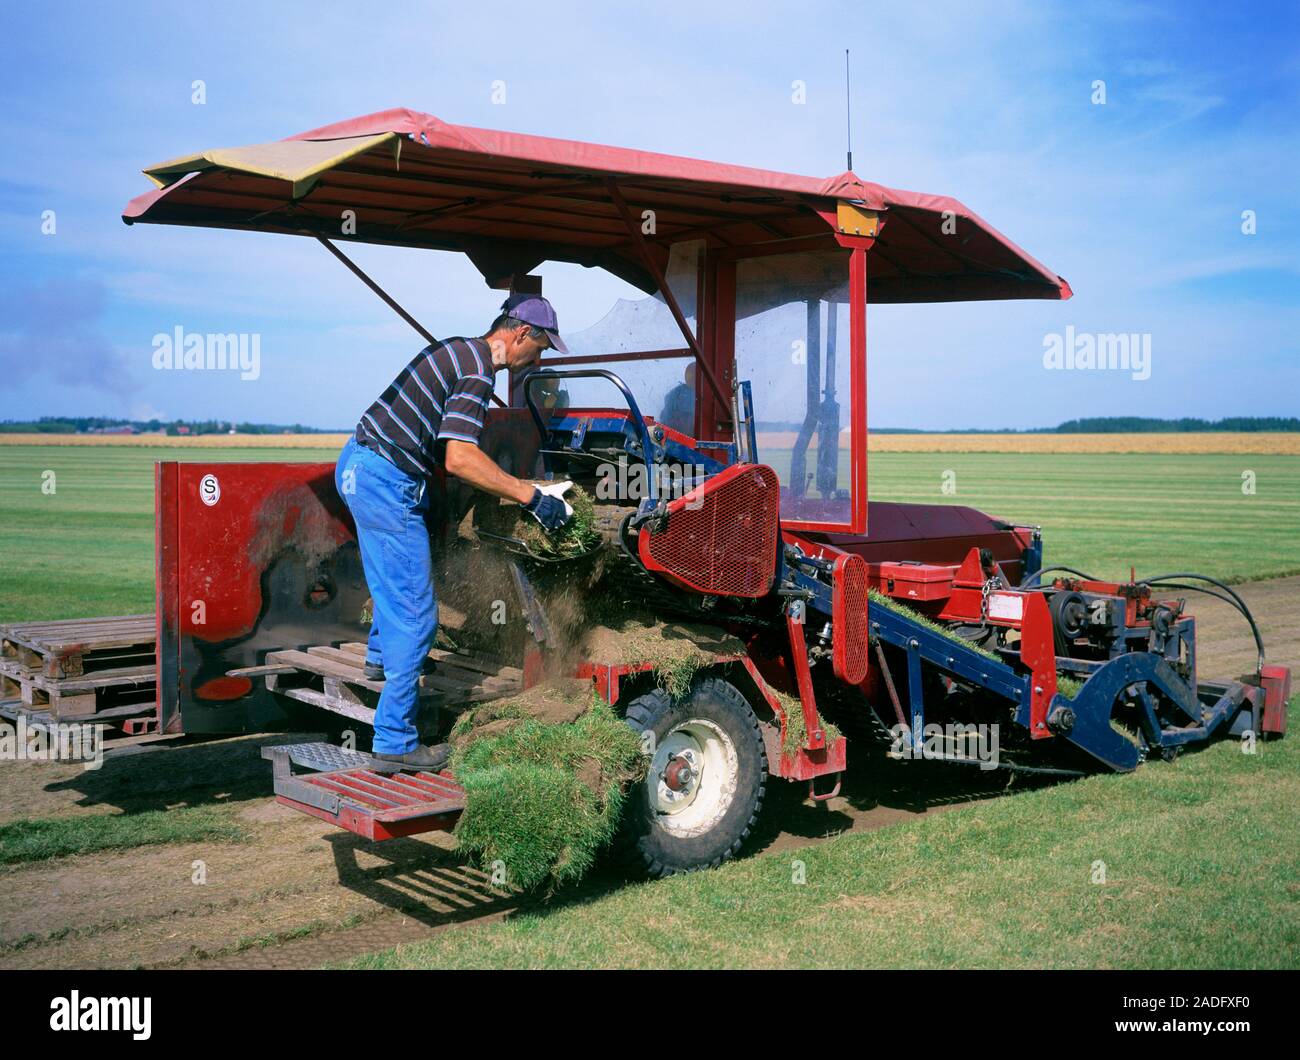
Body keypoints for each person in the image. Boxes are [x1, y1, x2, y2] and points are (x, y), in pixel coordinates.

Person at [335, 294, 574, 768]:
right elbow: (459, 457)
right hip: (385, 481)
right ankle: (396, 744)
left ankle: (381, 658)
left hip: (358, 465)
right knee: (417, 616)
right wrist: (532, 496)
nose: (539, 359)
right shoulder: (478, 370)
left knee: (393, 581)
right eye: (542, 348)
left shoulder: (458, 348)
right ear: (522, 333)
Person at [659, 362, 697, 436]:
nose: (692, 377)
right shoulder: (676, 393)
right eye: (690, 375)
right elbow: (665, 416)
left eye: (694, 375)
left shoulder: (706, 394)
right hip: (674, 437)